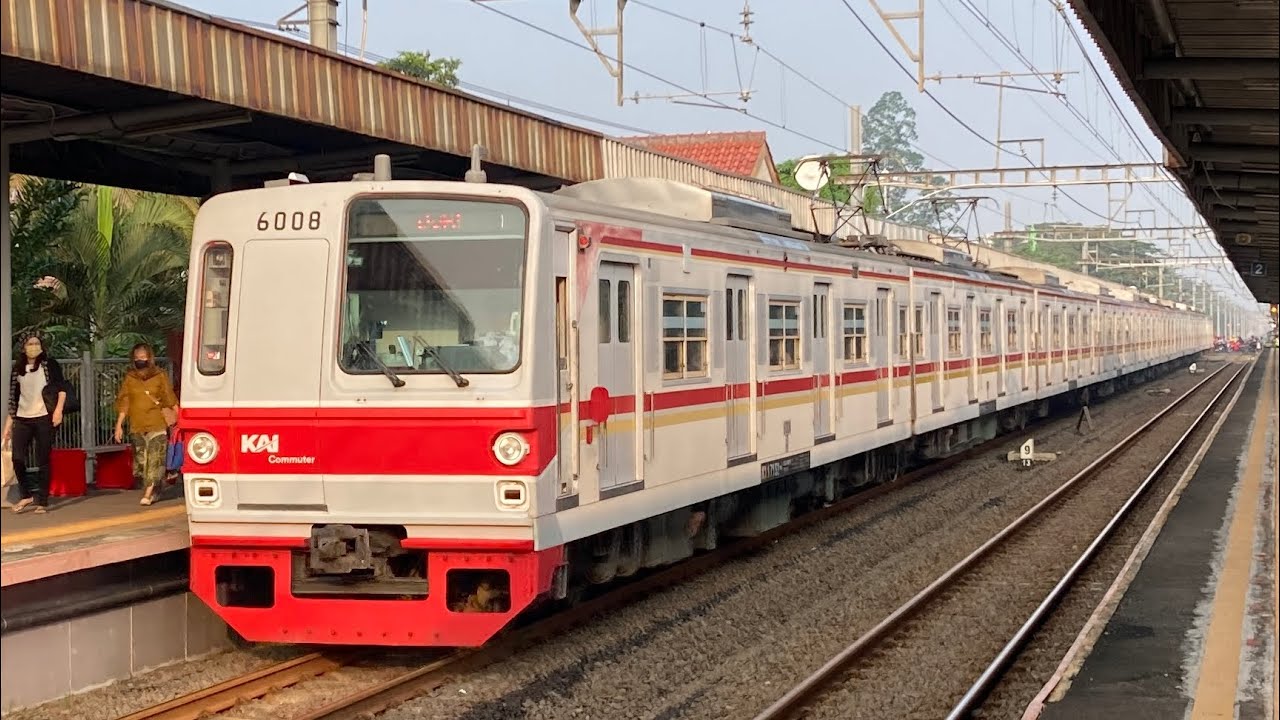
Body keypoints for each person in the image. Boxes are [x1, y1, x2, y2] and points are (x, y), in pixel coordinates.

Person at [3, 333, 68, 514]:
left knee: (43, 459)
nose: (33, 346)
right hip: (22, 418)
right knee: (17, 458)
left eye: (36, 343)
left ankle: (43, 500)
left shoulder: (49, 365)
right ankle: (26, 495)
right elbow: (13, 400)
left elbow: (61, 389)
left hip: (43, 417)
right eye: (30, 343)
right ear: (23, 347)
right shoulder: (17, 369)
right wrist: (8, 426)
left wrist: (58, 410)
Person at [114, 343, 178, 506]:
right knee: (141, 463)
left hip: (157, 424)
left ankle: (147, 494)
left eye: (143, 357)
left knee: (155, 459)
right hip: (137, 425)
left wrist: (180, 417)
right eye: (136, 358)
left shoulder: (160, 375)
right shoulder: (130, 378)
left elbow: (169, 397)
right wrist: (119, 424)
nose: (139, 360)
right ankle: (156, 486)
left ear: (149, 358)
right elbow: (125, 401)